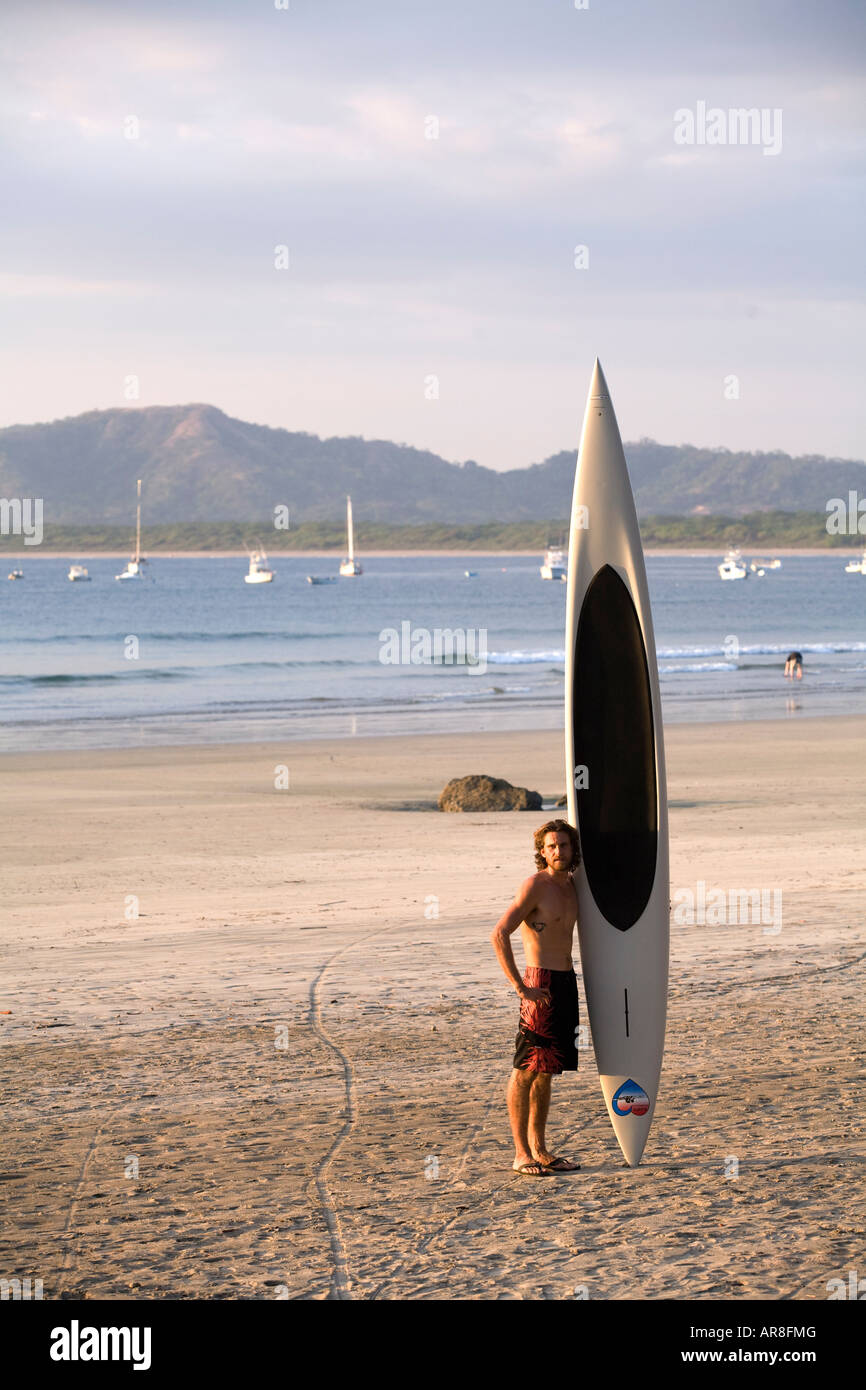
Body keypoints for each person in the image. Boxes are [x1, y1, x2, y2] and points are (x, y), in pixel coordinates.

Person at [490, 819, 582, 1177]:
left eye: (564, 845)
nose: (558, 851)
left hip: (565, 982)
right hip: (538, 982)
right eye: (552, 846)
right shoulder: (534, 886)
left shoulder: (575, 887)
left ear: (573, 850)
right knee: (525, 1069)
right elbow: (499, 933)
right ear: (541, 852)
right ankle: (520, 1153)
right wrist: (520, 986)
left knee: (546, 1073)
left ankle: (541, 1150)